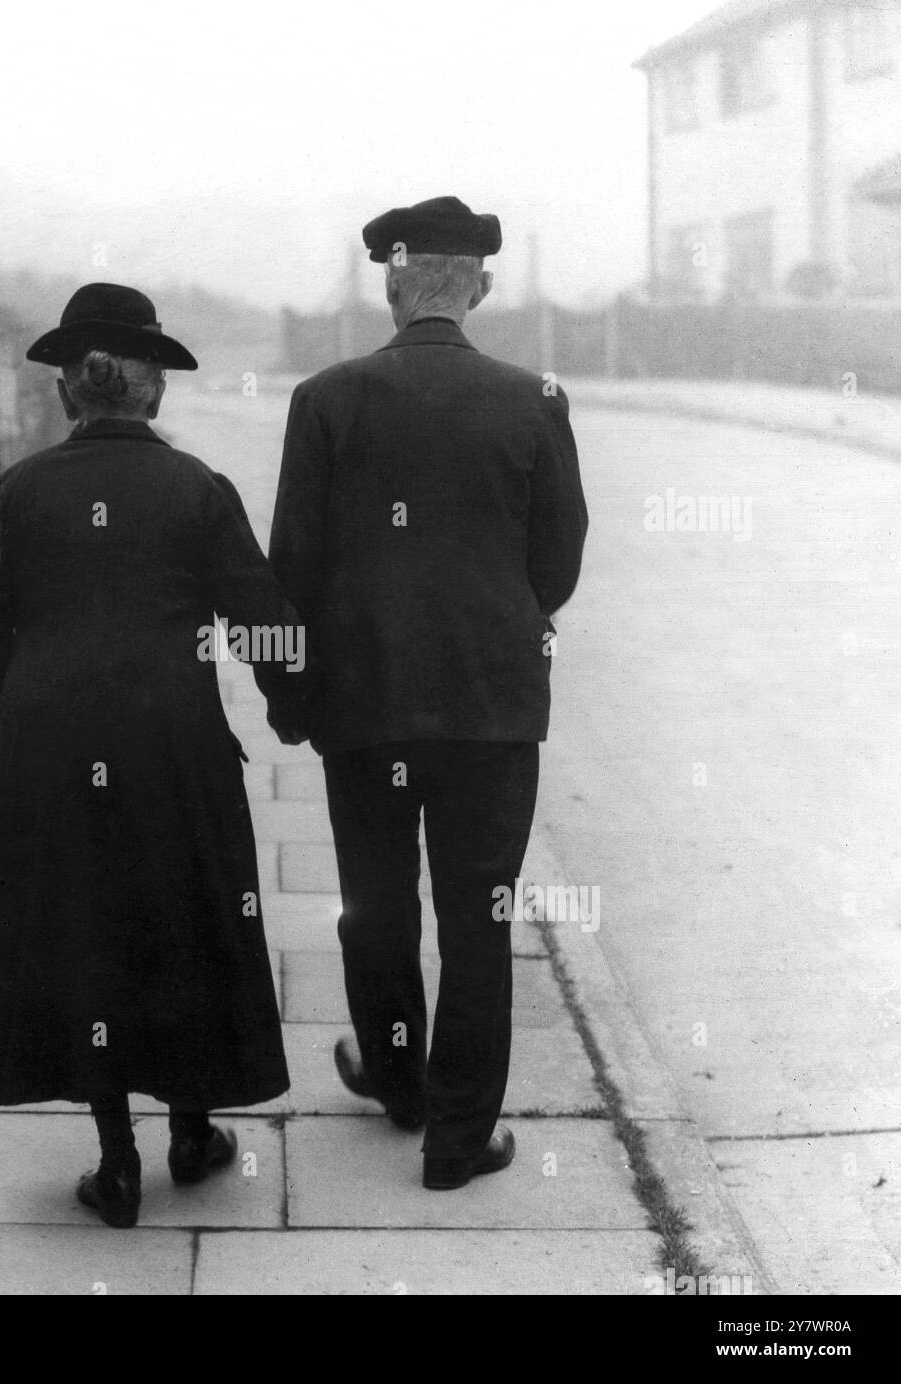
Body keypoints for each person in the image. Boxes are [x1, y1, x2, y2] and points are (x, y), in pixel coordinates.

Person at [0, 283, 307, 1228]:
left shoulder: (18, 492)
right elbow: (264, 627)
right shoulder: (197, 490)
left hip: (44, 756)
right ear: (152, 392)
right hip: (174, 750)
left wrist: (41, 700)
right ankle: (193, 1135)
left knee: (82, 933)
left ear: (71, 392)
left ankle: (115, 1167)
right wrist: (296, 710)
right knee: (179, 920)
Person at [268, 196, 588, 1190]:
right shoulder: (534, 398)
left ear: (393, 283)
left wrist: (292, 694)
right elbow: (559, 557)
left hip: (363, 704)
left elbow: (291, 569)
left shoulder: (325, 400)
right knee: (479, 917)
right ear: (479, 286)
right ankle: (455, 1141)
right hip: (490, 707)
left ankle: (398, 1077)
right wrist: (494, 623)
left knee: (374, 905)